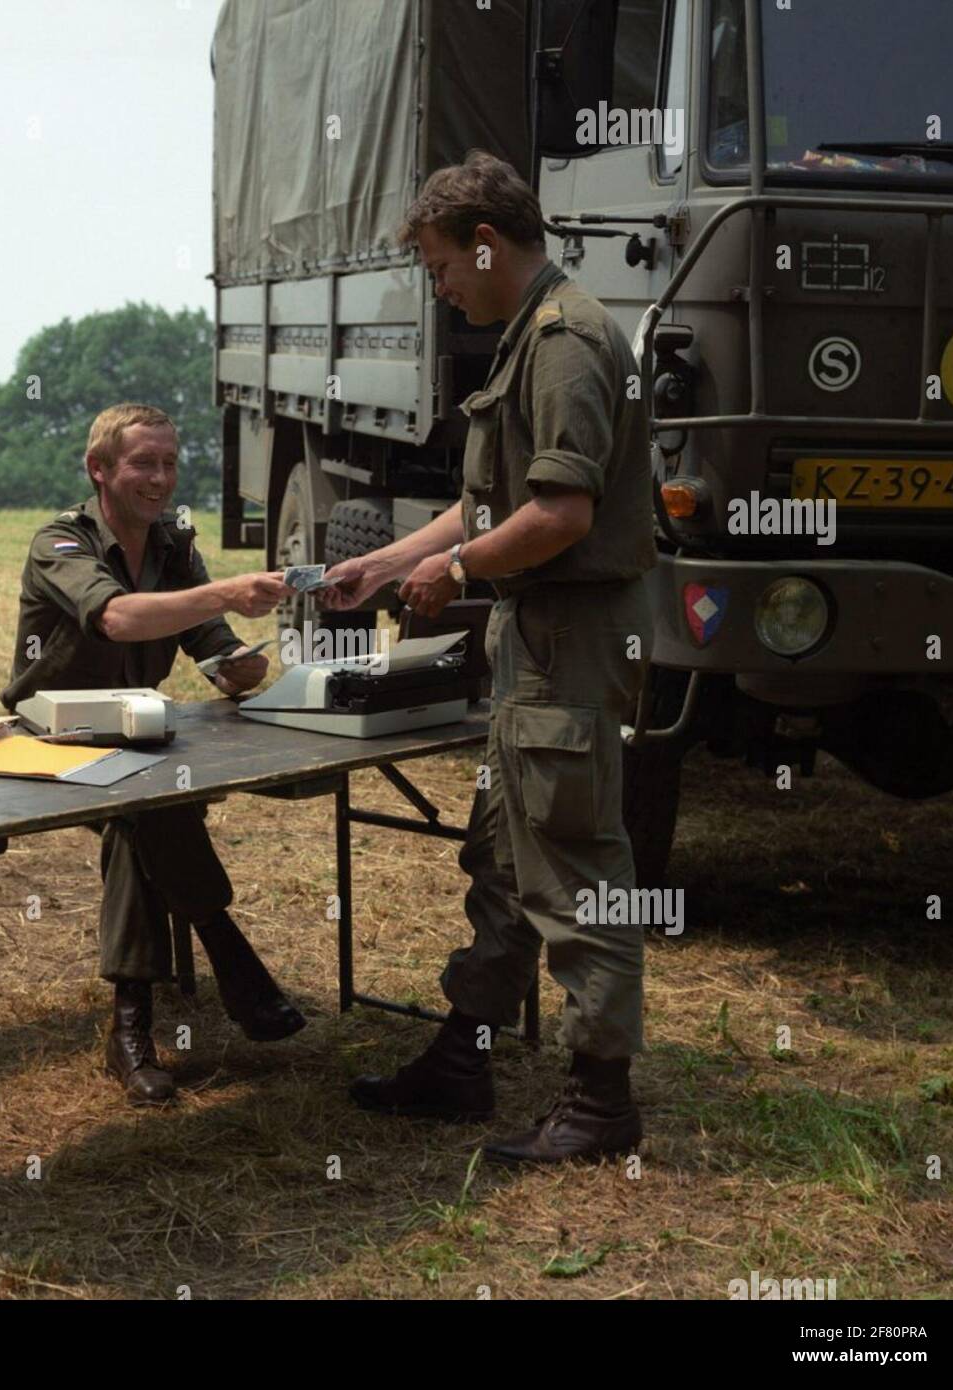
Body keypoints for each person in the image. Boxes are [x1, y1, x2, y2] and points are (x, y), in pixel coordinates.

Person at [321, 151, 657, 1163]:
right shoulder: (528, 337)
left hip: (570, 633)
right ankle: (462, 1059)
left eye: (437, 266)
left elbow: (558, 513)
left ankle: (600, 1105)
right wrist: (382, 567)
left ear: (485, 243)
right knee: (507, 857)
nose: (437, 286)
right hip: (536, 638)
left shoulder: (562, 342)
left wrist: (458, 569)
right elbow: (489, 504)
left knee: (575, 862)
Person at [1, 403, 305, 1102]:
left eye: (168, 463)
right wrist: (221, 590)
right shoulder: (60, 542)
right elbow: (116, 616)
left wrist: (233, 663)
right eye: (143, 463)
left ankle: (132, 1028)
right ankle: (223, 953)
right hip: (48, 738)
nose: (160, 478)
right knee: (143, 814)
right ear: (99, 469)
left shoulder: (173, 544)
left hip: (138, 736)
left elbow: (211, 640)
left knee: (142, 815)